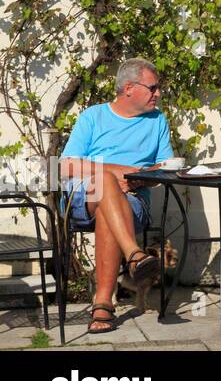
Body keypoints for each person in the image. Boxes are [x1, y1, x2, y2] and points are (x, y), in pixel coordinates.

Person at [58, 58, 174, 333]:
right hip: (82, 196)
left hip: (131, 201)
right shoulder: (93, 116)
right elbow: (65, 165)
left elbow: (166, 168)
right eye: (153, 87)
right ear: (130, 88)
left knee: (106, 211)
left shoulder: (157, 121)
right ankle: (133, 254)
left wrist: (134, 180)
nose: (158, 93)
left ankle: (103, 303)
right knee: (106, 182)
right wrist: (115, 173)